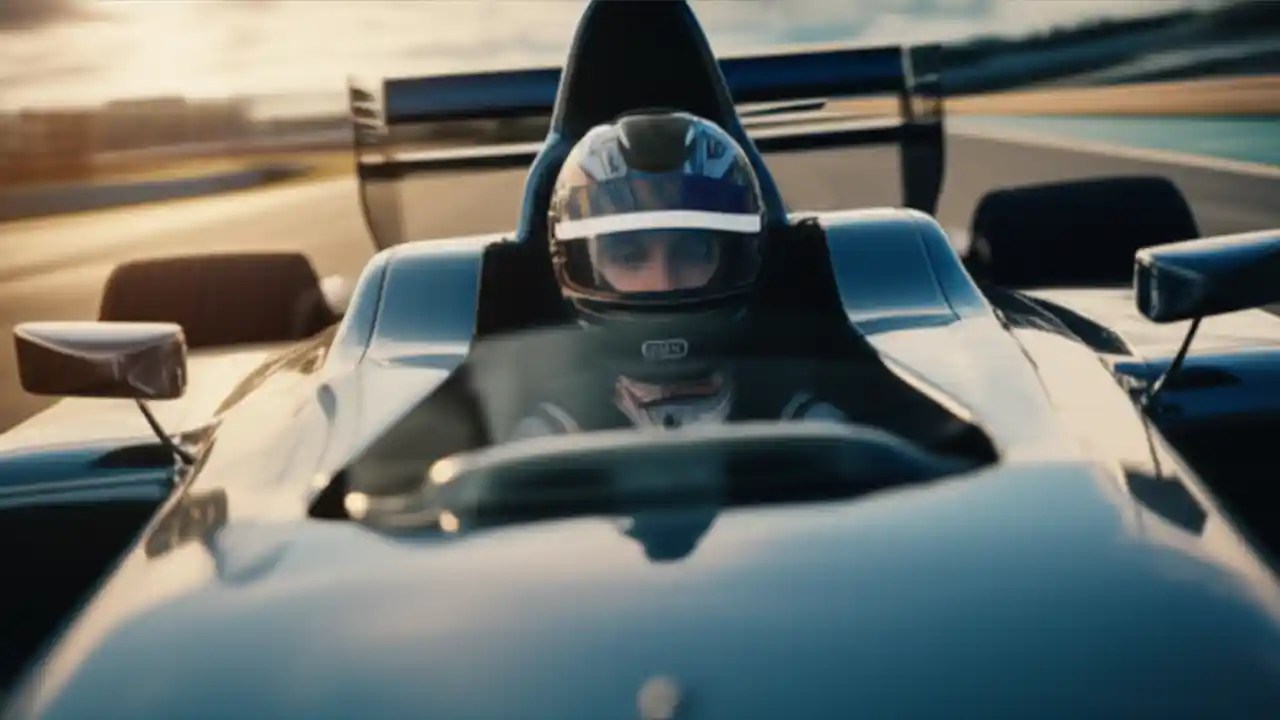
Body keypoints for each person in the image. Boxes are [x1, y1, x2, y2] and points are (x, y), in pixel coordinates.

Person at [508, 110, 849, 439]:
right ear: (581, 265)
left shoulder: (812, 432)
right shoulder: (544, 442)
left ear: (734, 258)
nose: (663, 282)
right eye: (629, 256)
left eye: (692, 251)